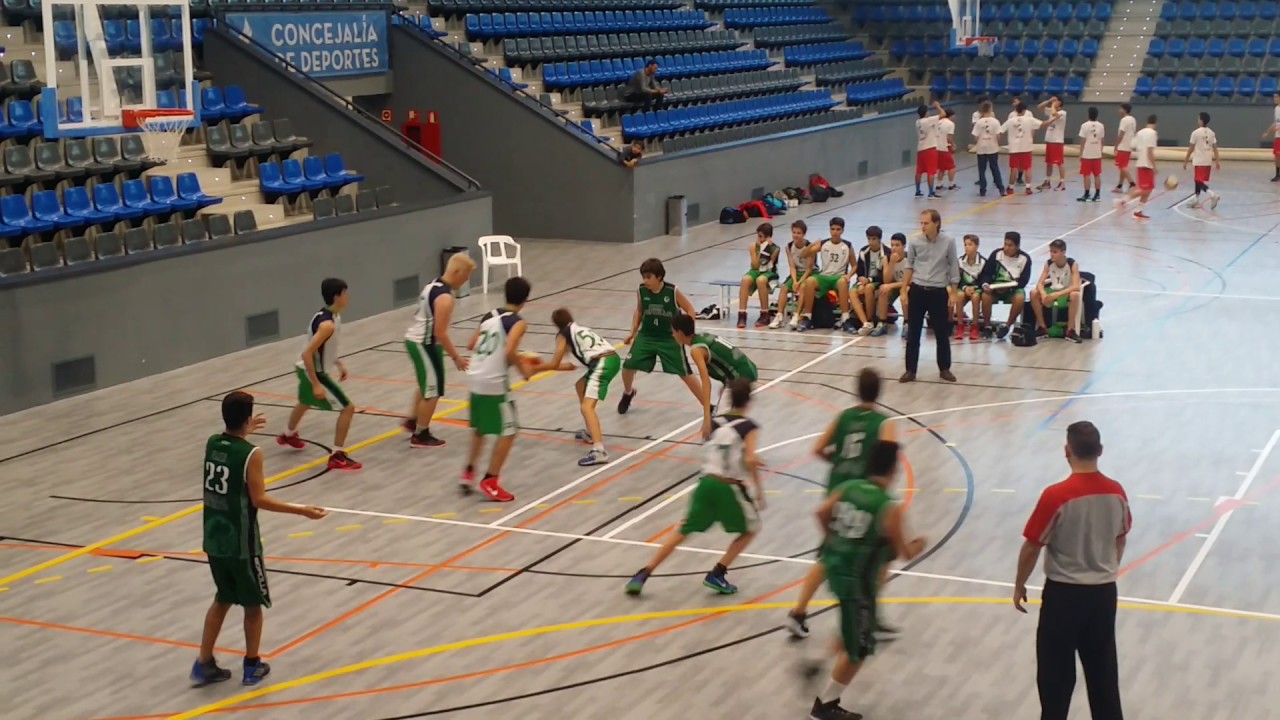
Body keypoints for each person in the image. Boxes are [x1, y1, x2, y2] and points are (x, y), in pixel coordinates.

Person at [192, 391, 327, 688]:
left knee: (223, 597)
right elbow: (259, 499)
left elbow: (231, 449)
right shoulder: (252, 454)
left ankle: (203, 662)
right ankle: (252, 666)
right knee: (252, 606)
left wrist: (243, 431)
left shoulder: (212, 443)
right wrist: (301, 510)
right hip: (242, 543)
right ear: (248, 418)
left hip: (214, 538)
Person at [1015, 421, 1129, 720]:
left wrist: (1019, 584)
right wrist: (1107, 570)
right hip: (1103, 594)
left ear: (1067, 450)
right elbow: (1120, 537)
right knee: (1103, 675)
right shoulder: (1116, 492)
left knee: (1055, 678)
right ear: (1100, 451)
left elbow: (1032, 546)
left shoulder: (1056, 496)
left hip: (1064, 596)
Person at [805, 441, 926, 720]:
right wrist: (920, 543)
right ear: (893, 469)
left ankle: (820, 664)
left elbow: (820, 512)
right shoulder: (887, 506)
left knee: (852, 629)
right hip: (858, 583)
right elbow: (903, 553)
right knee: (859, 648)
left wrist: (833, 538)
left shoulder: (848, 488)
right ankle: (824, 706)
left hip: (837, 569)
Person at [784, 368, 897, 639]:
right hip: (865, 493)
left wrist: (839, 462)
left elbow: (817, 449)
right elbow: (888, 460)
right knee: (884, 553)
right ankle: (869, 615)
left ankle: (799, 612)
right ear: (879, 391)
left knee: (830, 553)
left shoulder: (843, 417)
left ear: (857, 390)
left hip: (837, 488)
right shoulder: (885, 423)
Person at [625, 377, 764, 596]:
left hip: (706, 482)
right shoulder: (750, 427)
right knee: (751, 529)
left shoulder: (714, 422)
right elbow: (750, 459)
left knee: (683, 530)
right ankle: (717, 573)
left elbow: (714, 444)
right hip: (728, 486)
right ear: (749, 400)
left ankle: (643, 573)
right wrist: (759, 490)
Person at [462, 276, 535, 502]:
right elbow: (509, 351)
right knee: (510, 430)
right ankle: (490, 480)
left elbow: (471, 344)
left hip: (475, 376)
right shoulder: (518, 322)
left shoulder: (490, 315)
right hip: (494, 381)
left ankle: (468, 472)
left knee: (480, 428)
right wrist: (523, 368)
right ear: (525, 300)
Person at [618, 258, 710, 439]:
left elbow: (690, 310)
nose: (645, 280)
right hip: (647, 335)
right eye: (643, 277)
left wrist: (686, 333)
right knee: (628, 366)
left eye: (648, 277)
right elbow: (639, 311)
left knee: (685, 373)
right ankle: (628, 393)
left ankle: (707, 406)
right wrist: (632, 332)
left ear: (659, 277)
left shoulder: (672, 291)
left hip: (670, 338)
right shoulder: (641, 291)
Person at [277, 278, 361, 471]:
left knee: (305, 402)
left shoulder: (330, 315)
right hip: (313, 371)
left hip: (306, 368)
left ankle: (288, 435)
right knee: (348, 408)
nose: (348, 296)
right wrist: (316, 384)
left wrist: (337, 362)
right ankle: (337, 456)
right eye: (345, 293)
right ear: (337, 297)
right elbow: (307, 354)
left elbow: (322, 347)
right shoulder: (327, 325)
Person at [402, 253, 475, 448]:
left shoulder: (433, 284)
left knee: (427, 385)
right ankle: (420, 434)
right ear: (457, 272)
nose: (467, 279)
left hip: (423, 342)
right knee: (432, 390)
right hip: (423, 343)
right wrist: (456, 357)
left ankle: (413, 420)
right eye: (466, 275)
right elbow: (440, 332)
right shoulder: (445, 297)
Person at [529, 309, 618, 467]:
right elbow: (571, 366)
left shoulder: (563, 335)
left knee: (587, 407)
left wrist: (537, 368)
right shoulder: (578, 330)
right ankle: (590, 432)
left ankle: (599, 451)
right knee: (580, 386)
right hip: (611, 359)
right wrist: (541, 367)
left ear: (556, 324)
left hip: (602, 362)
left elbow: (555, 363)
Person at [900, 209, 958, 383]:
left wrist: (954, 291)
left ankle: (944, 368)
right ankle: (910, 370)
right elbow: (909, 266)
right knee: (913, 332)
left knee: (941, 333)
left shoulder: (949, 241)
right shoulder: (915, 241)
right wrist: (903, 290)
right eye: (921, 223)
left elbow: (953, 265)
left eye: (926, 223)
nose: (923, 226)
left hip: (938, 291)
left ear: (937, 223)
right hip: (918, 290)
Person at [672, 313, 758, 416]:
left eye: (673, 332)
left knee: (721, 418)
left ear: (680, 332)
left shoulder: (696, 350)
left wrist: (706, 414)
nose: (672, 335)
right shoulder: (703, 336)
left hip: (741, 376)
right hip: (747, 368)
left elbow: (706, 382)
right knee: (729, 410)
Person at [797, 217, 870, 334]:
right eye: (833, 229)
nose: (835, 232)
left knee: (842, 282)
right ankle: (808, 317)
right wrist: (811, 245)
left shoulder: (847, 245)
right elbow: (803, 255)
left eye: (838, 229)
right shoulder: (823, 244)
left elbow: (855, 265)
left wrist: (849, 275)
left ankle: (845, 319)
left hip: (838, 277)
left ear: (842, 231)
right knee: (810, 281)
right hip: (824, 276)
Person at [979, 230, 1033, 338]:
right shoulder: (996, 254)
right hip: (995, 287)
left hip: (1013, 288)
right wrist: (985, 284)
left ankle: (1007, 326)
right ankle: (987, 326)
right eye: (1005, 244)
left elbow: (1024, 281)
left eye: (1010, 245)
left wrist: (1009, 288)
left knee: (1020, 297)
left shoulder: (1025, 259)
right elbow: (986, 273)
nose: (1006, 248)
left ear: (1017, 246)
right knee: (985, 296)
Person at [1030, 239, 1084, 343]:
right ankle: (1042, 327)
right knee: (1033, 293)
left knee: (1075, 295)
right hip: (1053, 289)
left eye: (1055, 252)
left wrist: (1056, 295)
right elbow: (1040, 283)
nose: (1051, 254)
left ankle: (1070, 330)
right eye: (1051, 251)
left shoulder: (1072, 264)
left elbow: (1076, 286)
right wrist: (1043, 294)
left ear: (1063, 252)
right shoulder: (1048, 263)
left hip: (1066, 291)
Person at [771, 220, 817, 329]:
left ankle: (796, 315)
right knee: (784, 287)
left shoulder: (809, 247)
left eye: (798, 233)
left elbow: (809, 269)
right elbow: (792, 266)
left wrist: (799, 282)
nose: (796, 235)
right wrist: (795, 281)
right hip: (796, 273)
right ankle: (779, 316)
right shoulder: (789, 246)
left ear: (804, 234)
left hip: (809, 273)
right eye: (794, 232)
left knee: (803, 287)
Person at [737, 222, 780, 329]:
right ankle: (742, 314)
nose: (760, 239)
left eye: (762, 237)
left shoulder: (775, 249)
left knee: (761, 280)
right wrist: (759, 250)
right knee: (745, 279)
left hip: (769, 272)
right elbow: (755, 265)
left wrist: (766, 248)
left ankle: (764, 314)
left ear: (769, 237)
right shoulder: (752, 246)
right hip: (756, 270)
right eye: (759, 236)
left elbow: (766, 264)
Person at [1117, 114, 1158, 220]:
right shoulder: (1152, 133)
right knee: (1144, 189)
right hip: (1146, 164)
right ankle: (1123, 201)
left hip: (1140, 162)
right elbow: (1150, 151)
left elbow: (1133, 146)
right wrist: (1154, 166)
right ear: (1155, 123)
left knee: (1149, 189)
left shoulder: (1140, 132)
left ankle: (1138, 211)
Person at [870, 233, 909, 337]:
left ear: (904, 246)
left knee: (905, 291)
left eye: (897, 245)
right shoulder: (887, 258)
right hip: (895, 285)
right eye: (892, 245)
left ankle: (907, 323)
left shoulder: (909, 258)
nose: (894, 248)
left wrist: (892, 285)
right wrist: (891, 263)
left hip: (906, 285)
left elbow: (910, 281)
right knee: (883, 289)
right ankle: (882, 323)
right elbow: (886, 280)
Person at [852, 225, 888, 332]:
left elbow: (884, 276)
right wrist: (860, 282)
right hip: (865, 281)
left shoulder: (886, 253)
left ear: (879, 239)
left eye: (874, 239)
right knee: (852, 292)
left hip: (877, 282)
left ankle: (870, 319)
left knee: (868, 288)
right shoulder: (864, 251)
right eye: (869, 239)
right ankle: (865, 323)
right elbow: (859, 271)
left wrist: (869, 280)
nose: (871, 242)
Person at [1183, 111, 1221, 210]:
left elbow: (1191, 148)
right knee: (1198, 180)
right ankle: (1196, 199)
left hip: (1199, 160)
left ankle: (1212, 195)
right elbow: (1215, 148)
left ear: (1201, 120)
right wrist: (1217, 161)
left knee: (1198, 180)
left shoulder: (1195, 133)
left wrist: (1186, 160)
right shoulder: (1212, 133)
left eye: (1198, 119)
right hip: (1208, 160)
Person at [1003, 100, 1041, 196]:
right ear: (1024, 110)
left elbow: (1000, 130)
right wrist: (1053, 119)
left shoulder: (1010, 120)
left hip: (1014, 148)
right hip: (1026, 147)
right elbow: (1042, 124)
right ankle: (1028, 188)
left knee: (1014, 168)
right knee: (1027, 168)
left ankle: (1011, 188)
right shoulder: (1029, 119)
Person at [953, 234, 985, 341]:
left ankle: (975, 326)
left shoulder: (983, 262)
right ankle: (960, 326)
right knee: (959, 295)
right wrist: (965, 288)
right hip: (964, 288)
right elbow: (957, 279)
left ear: (977, 246)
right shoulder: (960, 261)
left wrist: (974, 288)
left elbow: (984, 279)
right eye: (965, 245)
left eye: (970, 244)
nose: (967, 247)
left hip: (977, 289)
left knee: (975, 297)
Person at [972, 100, 1007, 197]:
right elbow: (998, 136)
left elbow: (975, 138)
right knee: (995, 168)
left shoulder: (978, 122)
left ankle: (982, 190)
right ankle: (1001, 189)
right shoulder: (995, 121)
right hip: (992, 147)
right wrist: (997, 143)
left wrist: (979, 143)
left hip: (981, 148)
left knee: (981, 169)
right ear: (990, 109)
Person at [913, 100, 945, 198]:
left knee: (919, 171)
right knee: (931, 171)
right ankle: (931, 192)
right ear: (926, 112)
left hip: (920, 148)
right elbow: (943, 114)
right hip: (930, 148)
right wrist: (937, 106)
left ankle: (917, 191)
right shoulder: (928, 120)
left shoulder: (917, 122)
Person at [1037, 96, 1067, 191]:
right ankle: (1047, 181)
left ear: (1060, 103)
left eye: (1056, 101)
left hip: (1057, 141)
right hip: (1050, 140)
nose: (1053, 102)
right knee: (1049, 162)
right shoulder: (1051, 110)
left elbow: (1054, 113)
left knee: (1059, 162)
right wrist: (1049, 101)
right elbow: (1040, 107)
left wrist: (1053, 104)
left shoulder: (1062, 113)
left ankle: (1062, 183)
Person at [1077, 106, 1106, 203]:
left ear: (1088, 114)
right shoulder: (1101, 126)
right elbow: (1102, 140)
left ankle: (1087, 194)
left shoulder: (1084, 125)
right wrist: (1100, 151)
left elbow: (1083, 140)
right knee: (1097, 174)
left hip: (1087, 154)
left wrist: (1081, 153)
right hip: (1097, 154)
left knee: (1086, 175)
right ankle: (1097, 195)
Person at [1112, 103, 1137, 193]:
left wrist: (1116, 145)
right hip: (1129, 146)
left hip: (1123, 146)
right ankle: (1119, 186)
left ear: (1125, 110)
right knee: (1123, 166)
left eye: (1121, 109)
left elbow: (1121, 134)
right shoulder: (1133, 119)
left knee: (1121, 166)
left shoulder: (1124, 120)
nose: (1119, 110)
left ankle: (1132, 183)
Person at [935, 108, 958, 192]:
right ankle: (951, 185)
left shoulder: (938, 122)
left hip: (936, 147)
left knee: (941, 167)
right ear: (951, 116)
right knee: (951, 167)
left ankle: (939, 184)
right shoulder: (950, 124)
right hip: (944, 147)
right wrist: (953, 145)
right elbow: (949, 137)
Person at [1265, 91, 1280, 182]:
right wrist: (1268, 132)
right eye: (1274, 97)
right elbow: (1276, 122)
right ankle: (1277, 174)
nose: (1274, 99)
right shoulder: (1277, 109)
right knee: (1277, 156)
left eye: (1276, 97)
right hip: (1277, 136)